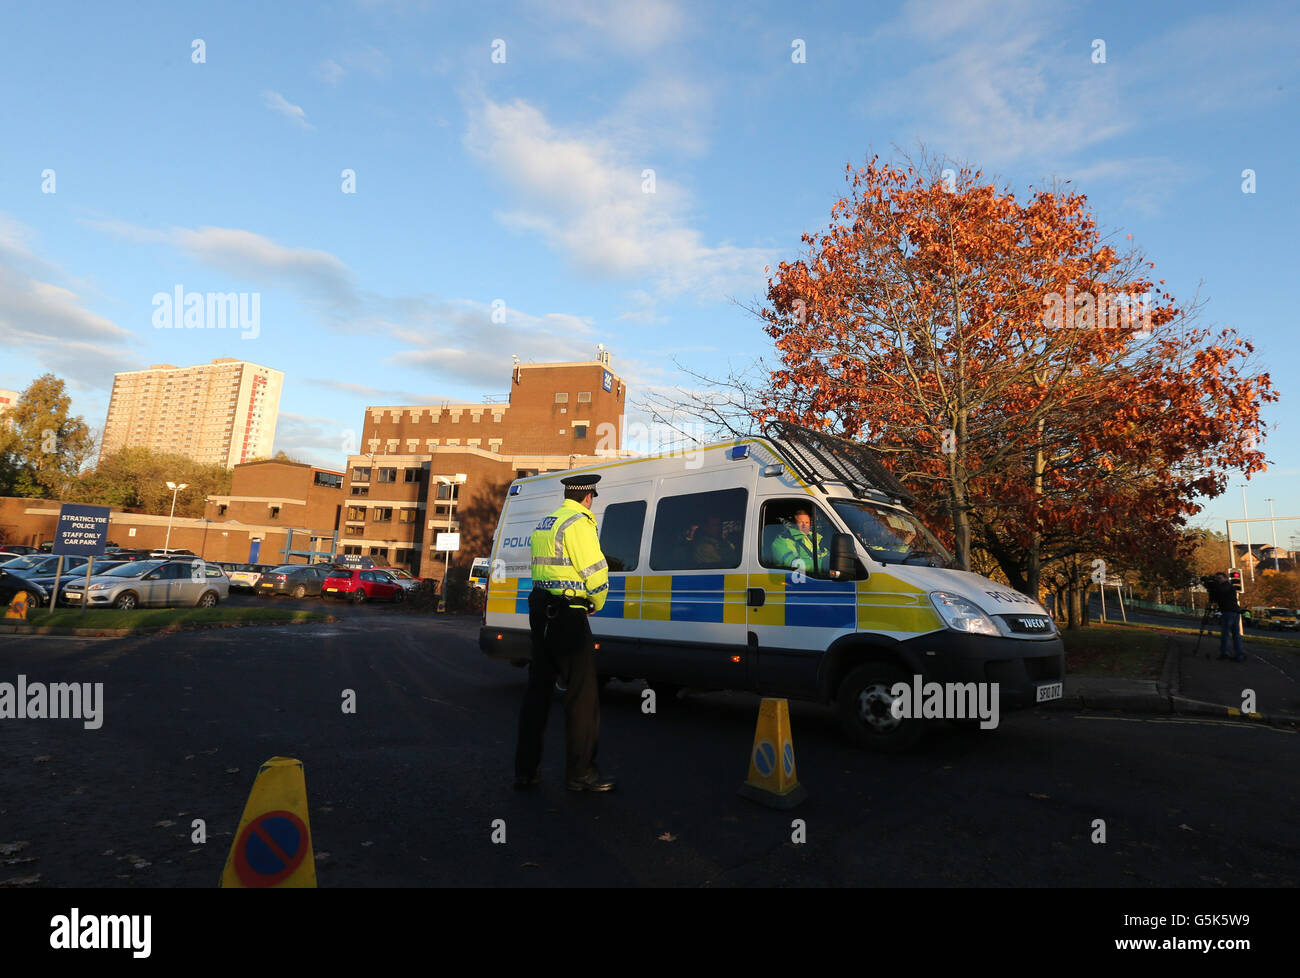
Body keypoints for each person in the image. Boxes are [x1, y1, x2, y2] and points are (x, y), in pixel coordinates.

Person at [514, 473, 615, 792]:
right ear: (588, 497)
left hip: (540, 610)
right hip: (568, 615)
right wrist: (596, 601)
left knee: (537, 693)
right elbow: (596, 571)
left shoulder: (547, 523)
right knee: (582, 697)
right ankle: (580, 773)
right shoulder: (579, 523)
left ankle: (525, 771)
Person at [770, 509, 828, 575]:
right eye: (801, 522)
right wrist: (823, 564)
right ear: (794, 525)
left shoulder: (814, 538)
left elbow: (823, 554)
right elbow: (793, 563)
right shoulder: (782, 540)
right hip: (793, 580)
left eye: (807, 522)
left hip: (817, 576)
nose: (804, 525)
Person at [1206, 571, 1245, 662]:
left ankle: (1226, 653)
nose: (1218, 581)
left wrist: (1214, 585)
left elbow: (1222, 591)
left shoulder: (1227, 586)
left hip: (1229, 612)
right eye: (1217, 579)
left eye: (1219, 578)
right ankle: (1238, 654)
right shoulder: (1222, 587)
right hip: (1233, 612)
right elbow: (1215, 598)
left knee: (1226, 634)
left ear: (1226, 578)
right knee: (1235, 634)